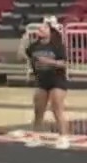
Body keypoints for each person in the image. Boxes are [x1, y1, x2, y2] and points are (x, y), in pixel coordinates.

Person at [22, 17, 71, 148]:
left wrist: (49, 62)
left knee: (57, 109)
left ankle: (64, 137)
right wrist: (23, 41)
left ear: (51, 31)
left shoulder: (57, 46)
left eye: (43, 27)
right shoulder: (33, 46)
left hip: (57, 80)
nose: (40, 29)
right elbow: (22, 55)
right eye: (39, 28)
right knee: (38, 110)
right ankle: (36, 136)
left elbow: (64, 63)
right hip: (41, 80)